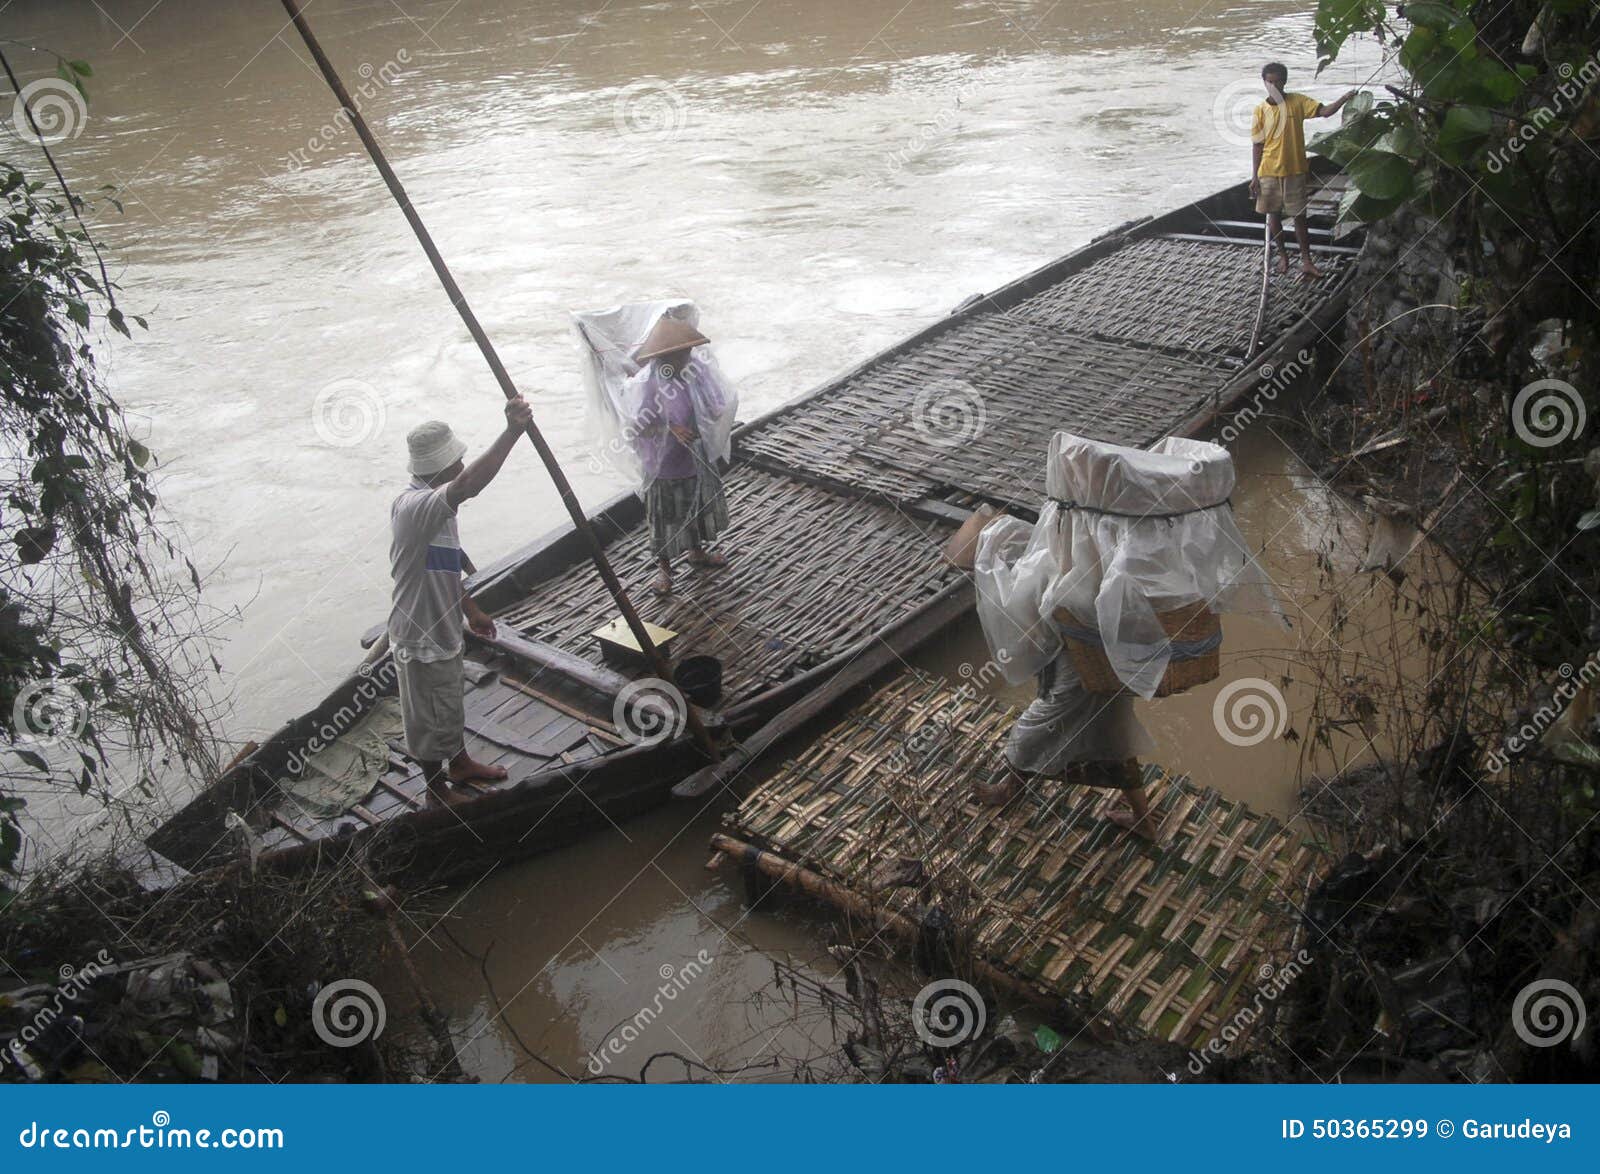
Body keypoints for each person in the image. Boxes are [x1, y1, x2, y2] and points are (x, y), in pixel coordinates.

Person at [388, 397, 532, 805]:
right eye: (457, 462)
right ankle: (436, 791)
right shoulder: (417, 506)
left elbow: (444, 565)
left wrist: (471, 610)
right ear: (445, 468)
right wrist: (512, 431)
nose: (461, 467)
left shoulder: (438, 510)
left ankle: (460, 761)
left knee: (446, 701)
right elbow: (470, 485)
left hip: (443, 623)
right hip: (419, 633)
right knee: (427, 715)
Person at [975, 636, 1160, 839]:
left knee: (1029, 731)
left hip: (1090, 658)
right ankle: (1143, 821)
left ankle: (1011, 791)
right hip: (1109, 659)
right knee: (1115, 740)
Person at [625, 315, 735, 595]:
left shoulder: (696, 368)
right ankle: (665, 570)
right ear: (666, 356)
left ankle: (696, 552)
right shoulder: (648, 381)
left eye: (688, 351)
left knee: (694, 505)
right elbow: (636, 424)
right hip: (663, 463)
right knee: (664, 515)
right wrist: (669, 427)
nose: (687, 356)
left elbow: (717, 401)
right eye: (680, 353)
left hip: (694, 455)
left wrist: (712, 415)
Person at [1248, 62, 1357, 280]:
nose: (1273, 86)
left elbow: (1325, 112)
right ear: (1264, 83)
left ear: (1284, 81)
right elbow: (1257, 145)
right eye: (1269, 82)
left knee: (1299, 216)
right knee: (1273, 217)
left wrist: (1344, 99)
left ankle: (1307, 261)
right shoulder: (1260, 110)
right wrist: (1254, 177)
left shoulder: (1297, 102)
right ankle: (1283, 255)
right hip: (1268, 170)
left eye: (1277, 81)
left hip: (1295, 169)